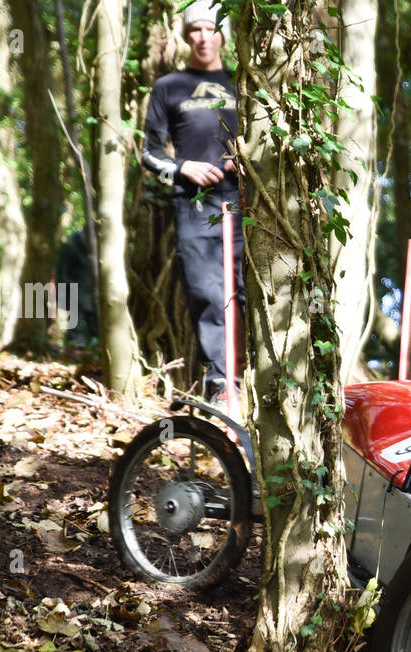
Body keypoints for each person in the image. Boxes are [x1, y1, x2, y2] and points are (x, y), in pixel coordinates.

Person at [142, 1, 243, 398]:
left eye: (211, 29)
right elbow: (149, 152)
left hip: (247, 204)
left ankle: (260, 379)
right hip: (194, 205)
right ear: (186, 36)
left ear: (223, 36)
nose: (204, 37)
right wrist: (184, 167)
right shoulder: (169, 86)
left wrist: (245, 158)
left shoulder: (244, 81)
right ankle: (221, 384)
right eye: (196, 30)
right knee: (207, 292)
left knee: (250, 291)